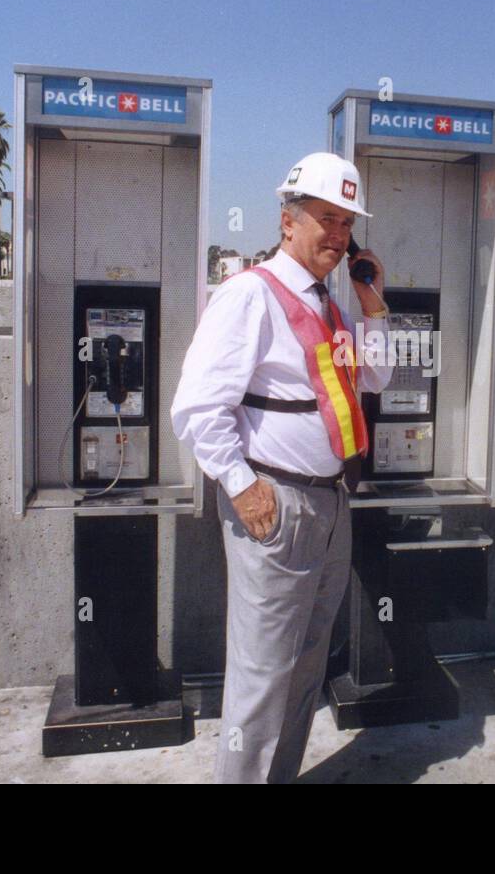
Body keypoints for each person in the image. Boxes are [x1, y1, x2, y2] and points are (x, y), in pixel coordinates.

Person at [171, 152, 393, 783]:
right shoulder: (250, 295)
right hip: (277, 505)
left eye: (347, 224)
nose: (338, 235)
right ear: (287, 220)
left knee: (305, 666)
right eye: (326, 219)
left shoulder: (333, 304)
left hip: (329, 504)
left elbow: (375, 376)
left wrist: (371, 297)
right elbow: (195, 408)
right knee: (263, 676)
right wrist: (241, 488)